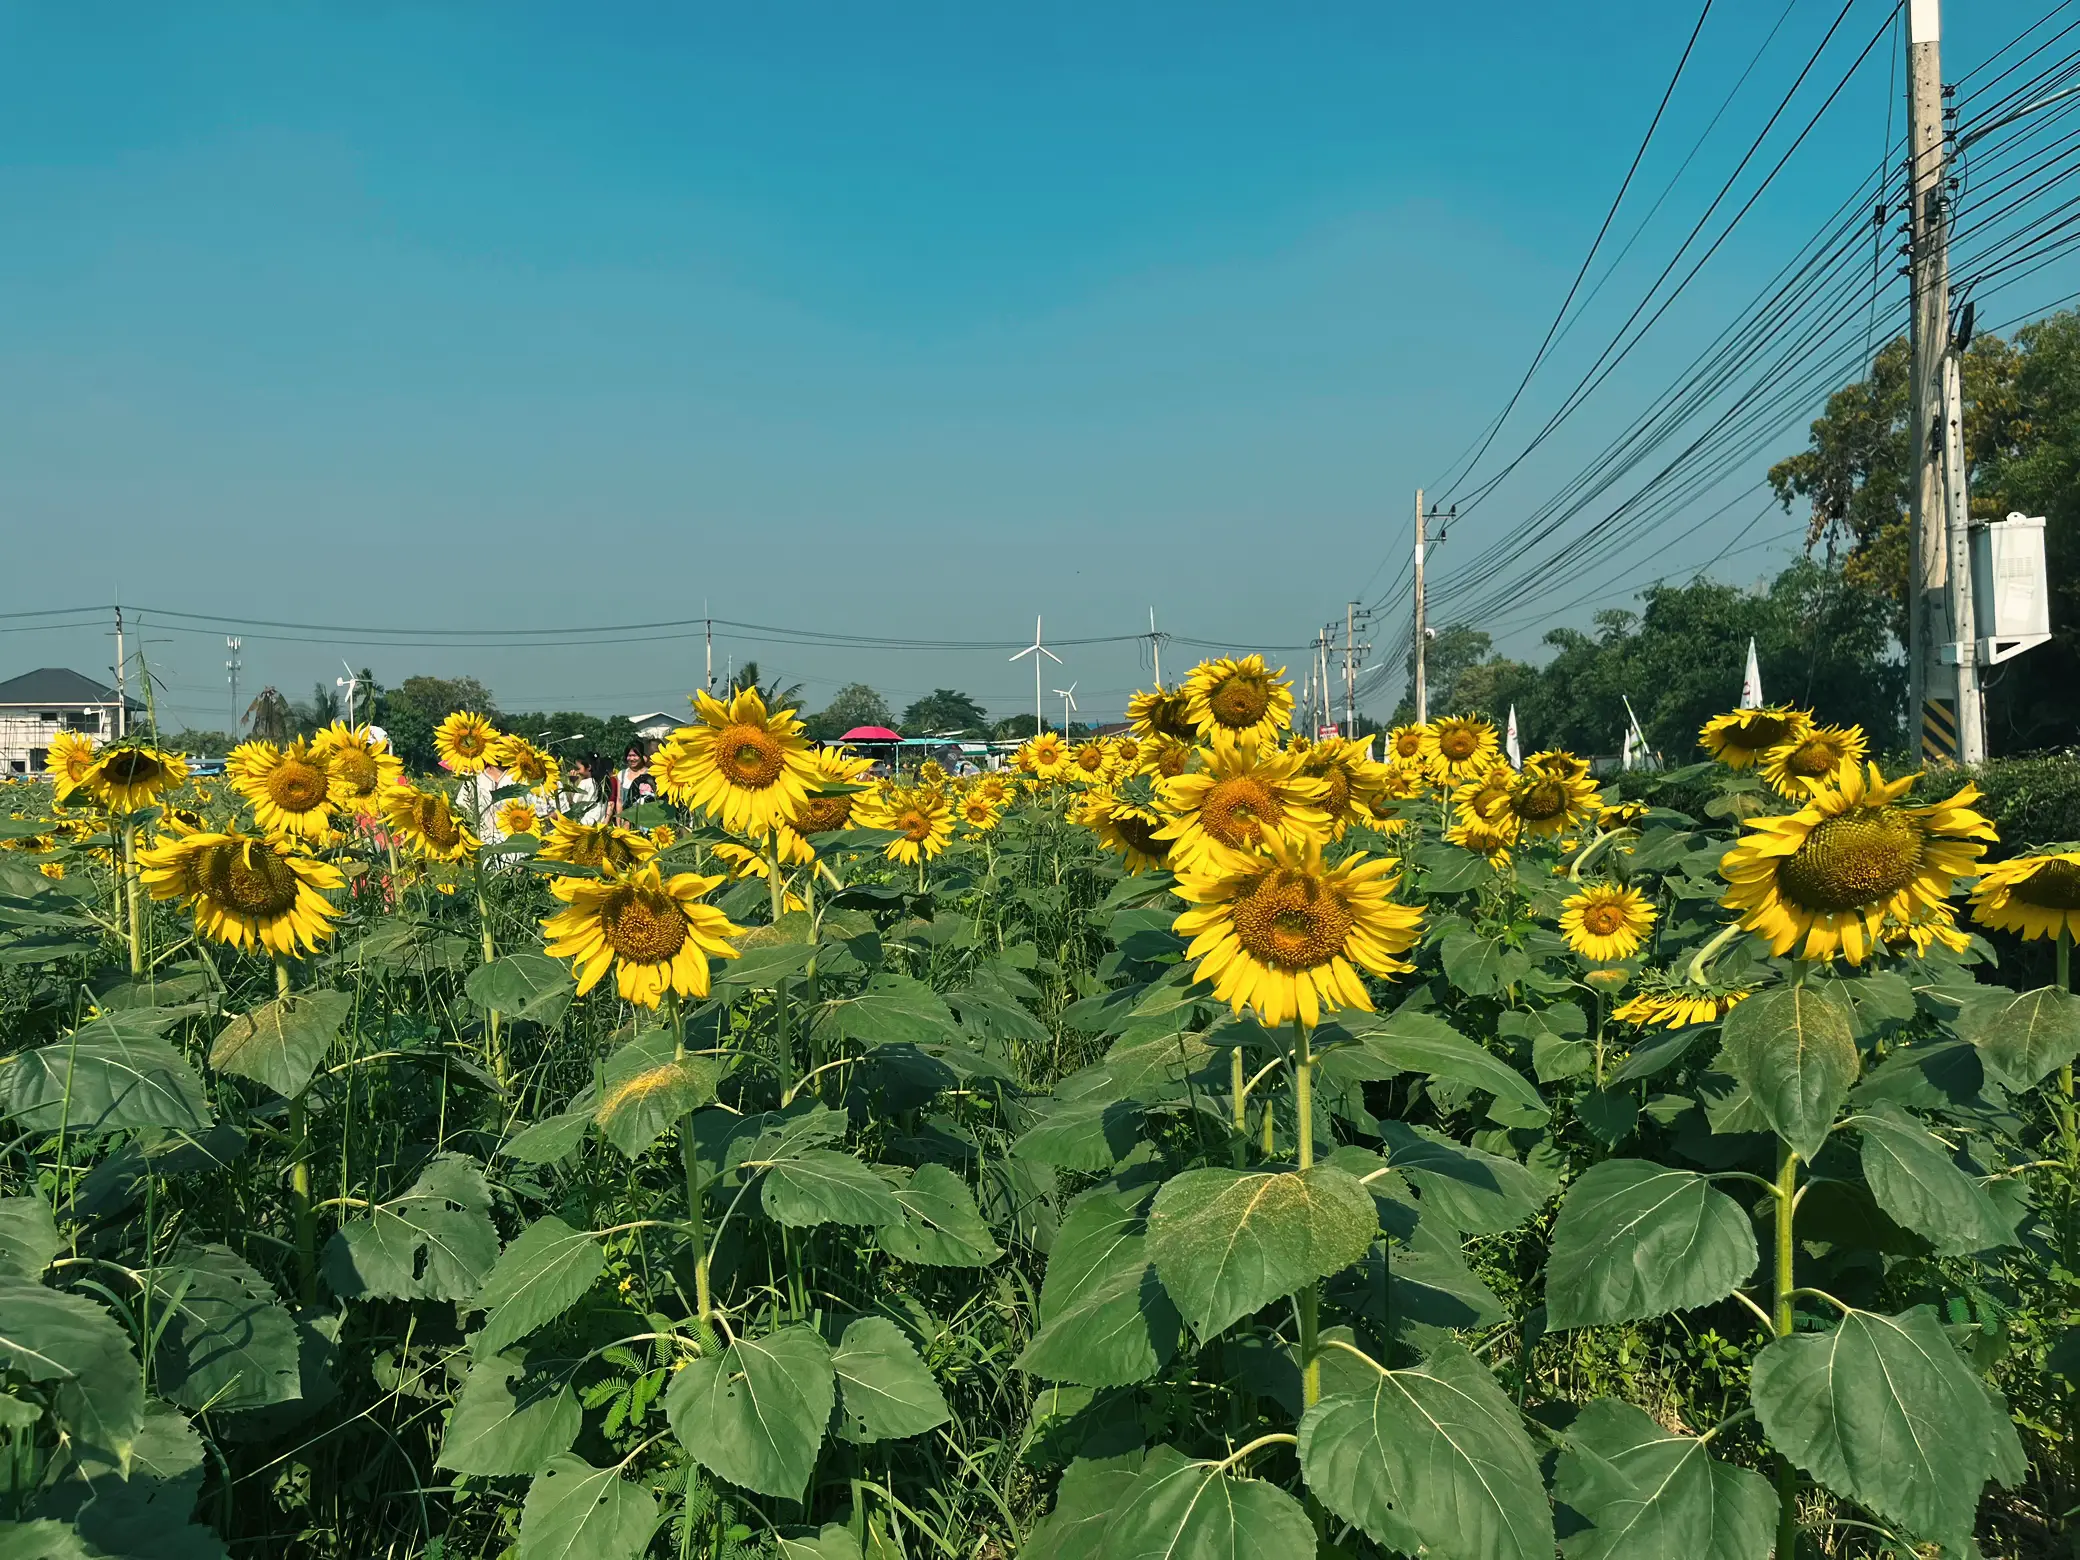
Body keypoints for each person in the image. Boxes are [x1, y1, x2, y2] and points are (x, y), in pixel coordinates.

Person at [612, 742, 659, 821]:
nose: (632, 759)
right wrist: (619, 821)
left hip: (644, 819)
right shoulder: (622, 774)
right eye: (629, 756)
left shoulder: (650, 774)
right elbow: (619, 801)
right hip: (626, 819)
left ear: (642, 756)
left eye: (635, 755)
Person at [563, 756, 607, 824]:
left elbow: (573, 803)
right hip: (599, 822)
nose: (577, 771)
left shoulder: (585, 783)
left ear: (589, 767)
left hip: (586, 822)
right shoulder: (602, 783)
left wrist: (572, 783)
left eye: (579, 768)